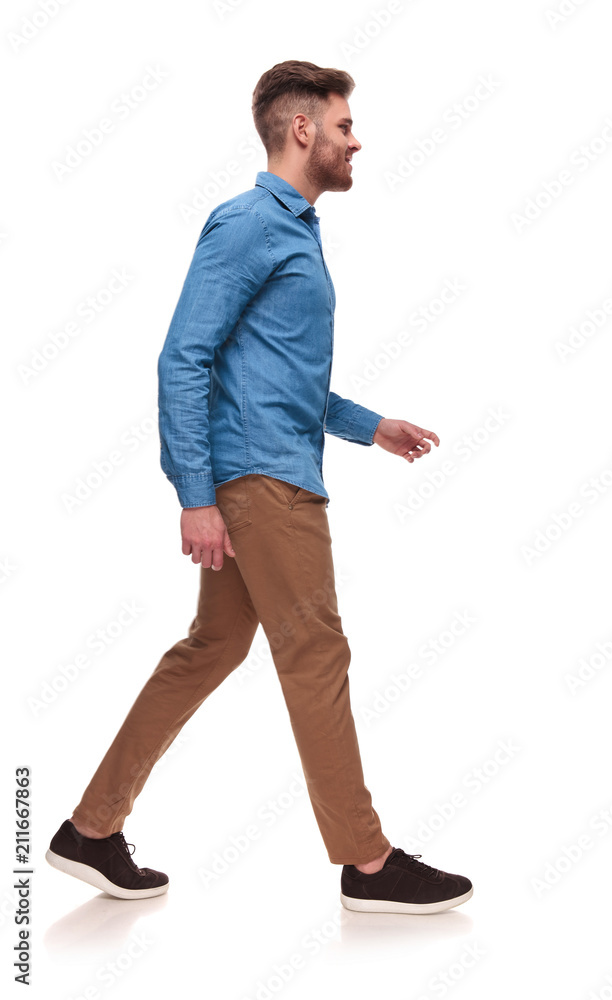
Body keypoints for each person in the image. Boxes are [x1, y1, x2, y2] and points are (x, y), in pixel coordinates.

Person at [46, 59, 473, 914]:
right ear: (302, 129)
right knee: (315, 650)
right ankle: (366, 860)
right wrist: (195, 494)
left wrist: (368, 425)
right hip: (261, 485)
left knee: (211, 648)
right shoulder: (249, 223)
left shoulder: (295, 230)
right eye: (345, 125)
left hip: (268, 468)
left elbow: (274, 378)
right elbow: (184, 357)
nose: (358, 140)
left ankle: (90, 830)